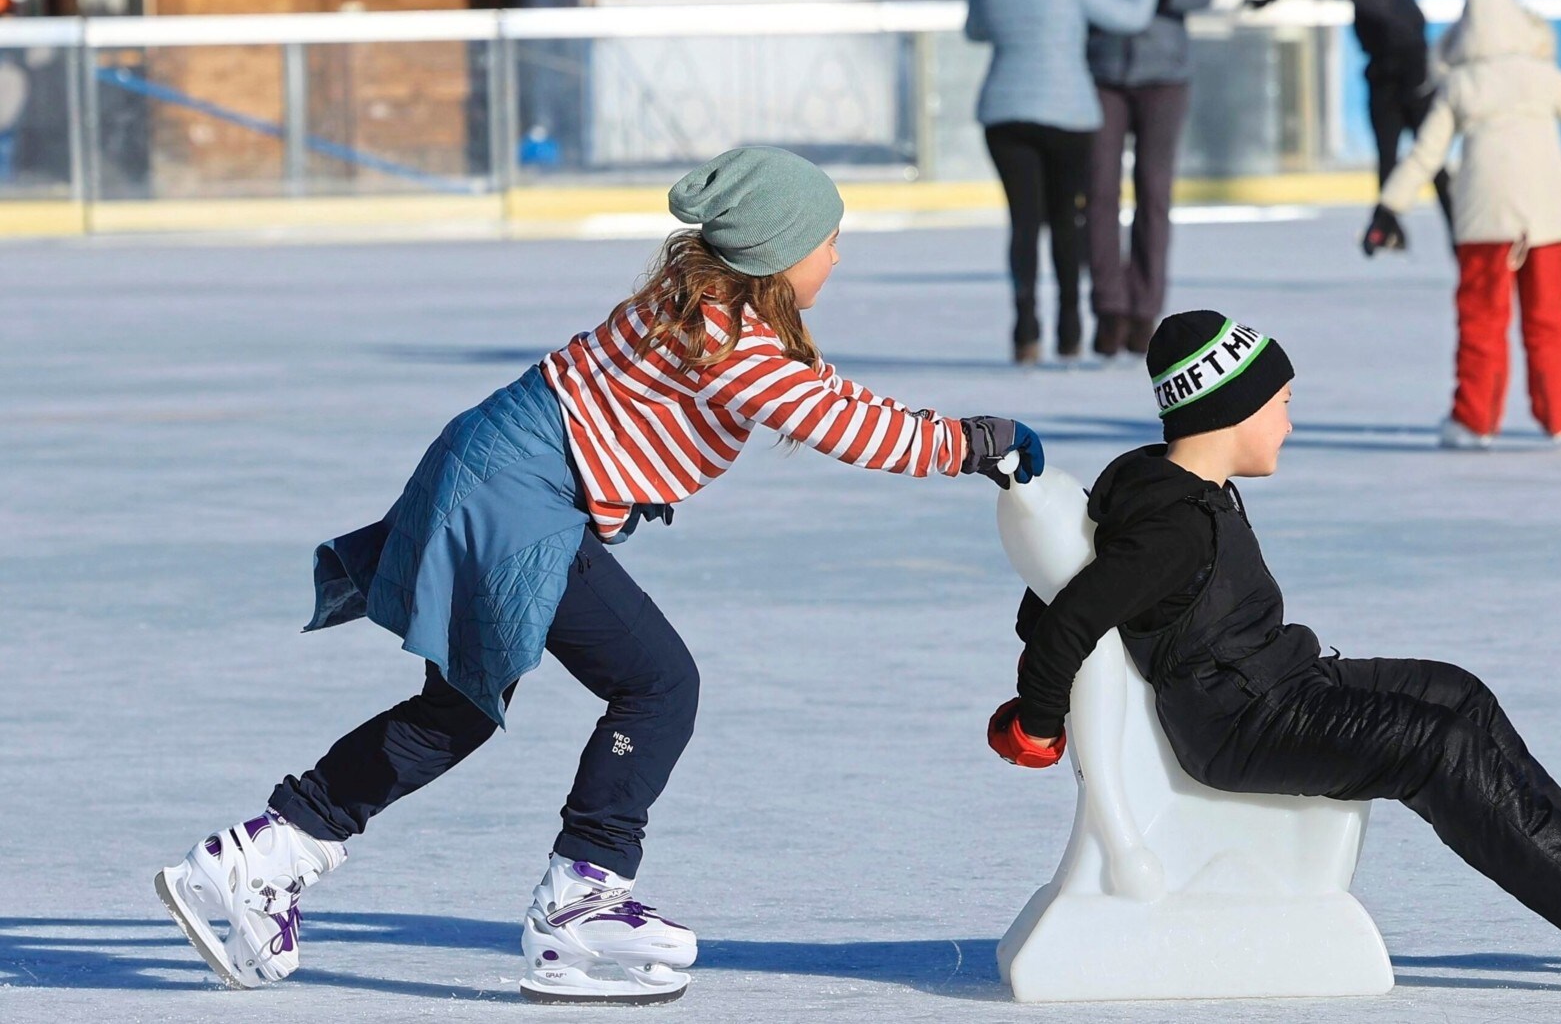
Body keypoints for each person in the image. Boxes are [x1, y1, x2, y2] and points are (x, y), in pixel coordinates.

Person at [154, 147, 1045, 1005]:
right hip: (515, 500)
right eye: (829, 239)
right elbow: (841, 426)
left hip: (498, 476)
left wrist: (959, 427)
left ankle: (257, 858)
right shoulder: (725, 343)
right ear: (778, 256)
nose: (838, 254)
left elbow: (826, 392)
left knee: (460, 709)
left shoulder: (715, 315)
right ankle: (581, 901)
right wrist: (968, 444)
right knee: (657, 682)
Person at [984, 310, 1561, 992]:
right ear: (1230, 410)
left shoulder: (1162, 484)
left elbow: (1063, 591)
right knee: (1433, 747)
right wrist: (1038, 723)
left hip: (1277, 682)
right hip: (1243, 723)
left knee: (1454, 693)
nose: (1287, 423)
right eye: (1279, 405)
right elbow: (1070, 617)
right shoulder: (1172, 526)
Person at [1374, 0, 1561, 449]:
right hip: (1547, 218)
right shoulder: (1543, 75)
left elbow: (1425, 155)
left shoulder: (1459, 83)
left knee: (1481, 319)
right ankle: (1557, 414)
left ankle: (1475, 421)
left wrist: (1389, 205)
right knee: (1550, 319)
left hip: (1484, 217)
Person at [967, 0, 1159, 364]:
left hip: (1005, 114)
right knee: (1067, 220)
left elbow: (976, 31)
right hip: (1069, 114)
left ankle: (1025, 326)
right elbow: (1130, 17)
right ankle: (1070, 327)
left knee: (1024, 222)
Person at [1059, 0, 1218, 358]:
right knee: (1099, 194)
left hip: (1165, 74)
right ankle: (1108, 308)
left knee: (1154, 193)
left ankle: (1144, 310)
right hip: (1101, 72)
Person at [1253, 0, 1451, 245]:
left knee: (1431, 161)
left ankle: (1447, 236)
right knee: (1395, 158)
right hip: (1387, 73)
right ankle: (1389, 229)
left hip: (1408, 75)